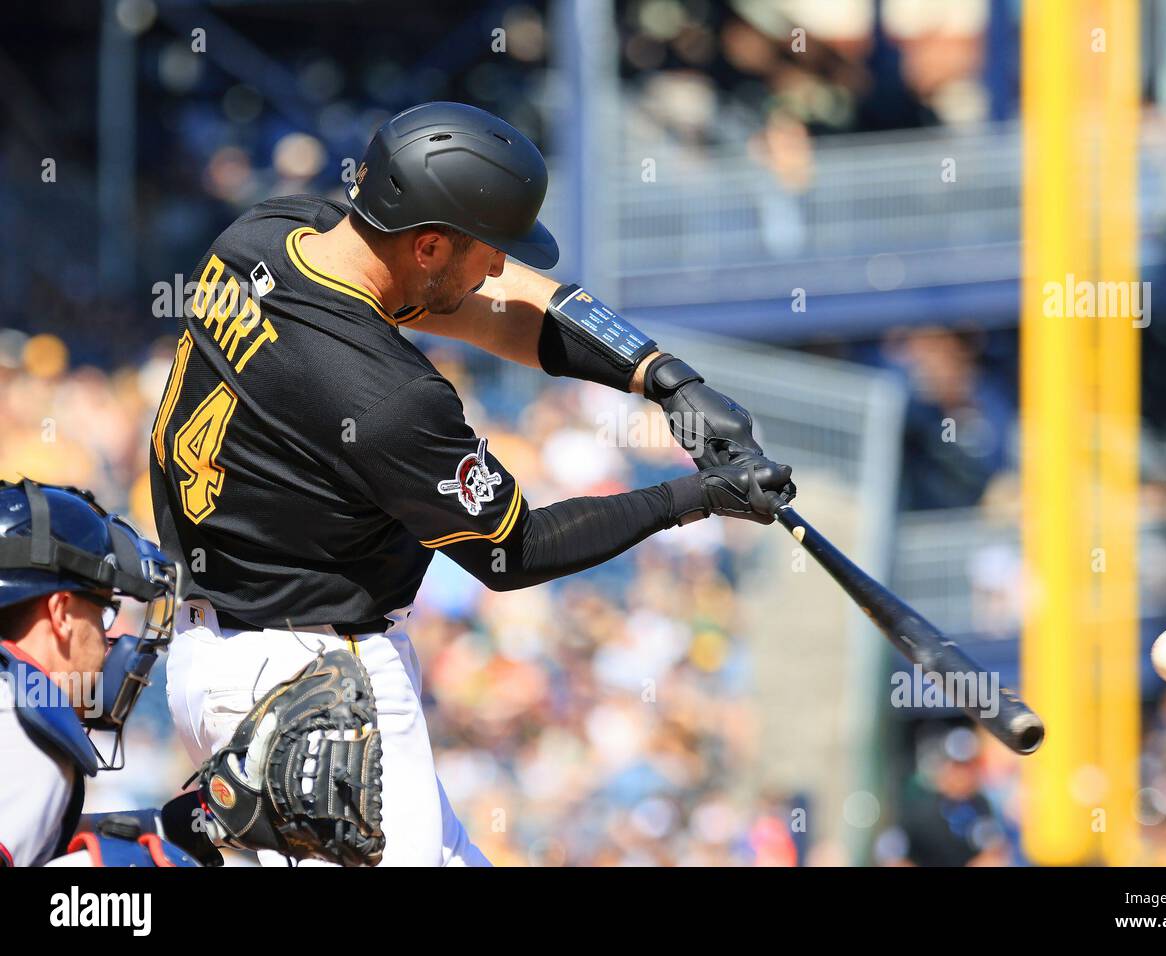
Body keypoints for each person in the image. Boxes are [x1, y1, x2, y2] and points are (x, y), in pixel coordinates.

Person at [150, 100, 796, 865]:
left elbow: (496, 312)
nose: (498, 265)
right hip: (311, 684)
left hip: (215, 659)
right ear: (426, 243)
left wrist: (661, 377)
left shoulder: (263, 234)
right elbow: (516, 554)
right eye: (485, 246)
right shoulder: (387, 398)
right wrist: (696, 498)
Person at [0, 479, 196, 867]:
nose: (112, 636)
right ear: (60, 612)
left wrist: (174, 826)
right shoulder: (24, 732)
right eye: (103, 612)